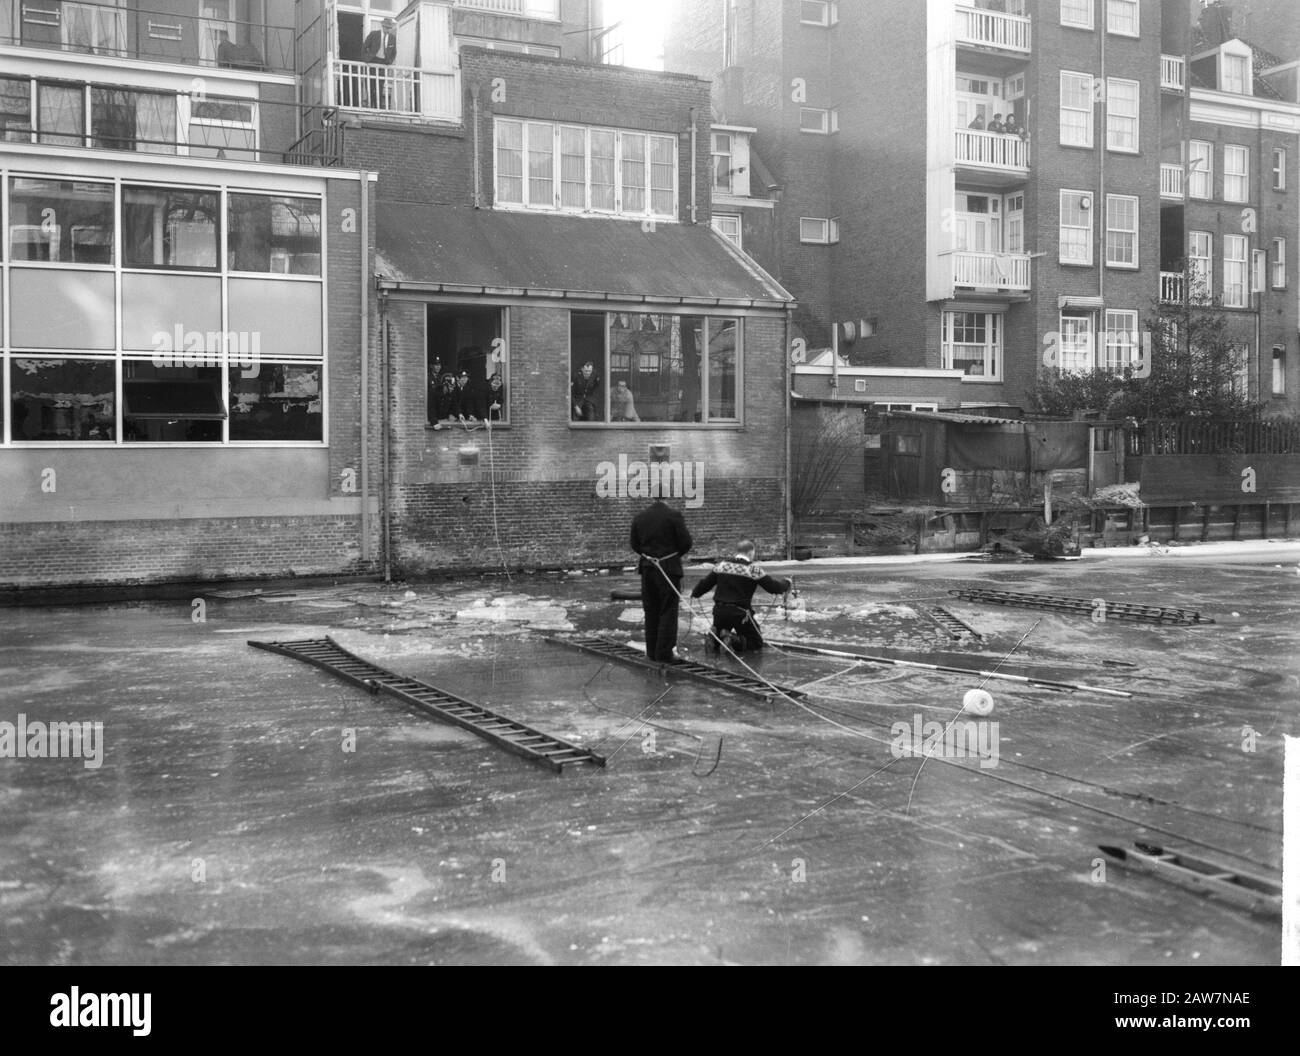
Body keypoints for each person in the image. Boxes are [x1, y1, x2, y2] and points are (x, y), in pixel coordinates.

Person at [691, 540, 792, 654]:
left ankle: (715, 638)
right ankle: (732, 639)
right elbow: (774, 587)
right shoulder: (753, 570)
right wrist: (786, 582)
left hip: (720, 611)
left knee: (719, 635)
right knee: (755, 643)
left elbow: (705, 584)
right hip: (741, 614)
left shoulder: (721, 565)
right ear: (750, 553)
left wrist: (695, 593)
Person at [630, 491, 693, 664]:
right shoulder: (674, 516)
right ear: (667, 497)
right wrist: (672, 556)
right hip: (668, 568)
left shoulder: (640, 517)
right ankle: (664, 654)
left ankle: (651, 652)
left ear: (651, 497)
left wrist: (650, 556)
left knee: (651, 610)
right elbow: (686, 542)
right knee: (668, 610)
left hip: (648, 569)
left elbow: (635, 544)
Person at [362, 17, 397, 107]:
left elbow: (394, 52)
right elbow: (364, 47)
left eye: (389, 28)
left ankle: (378, 105)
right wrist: (366, 59)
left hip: (383, 62)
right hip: (373, 60)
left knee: (380, 84)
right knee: (370, 83)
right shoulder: (374, 34)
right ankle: (370, 103)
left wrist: (389, 61)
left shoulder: (392, 38)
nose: (387, 29)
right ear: (382, 26)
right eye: (386, 27)